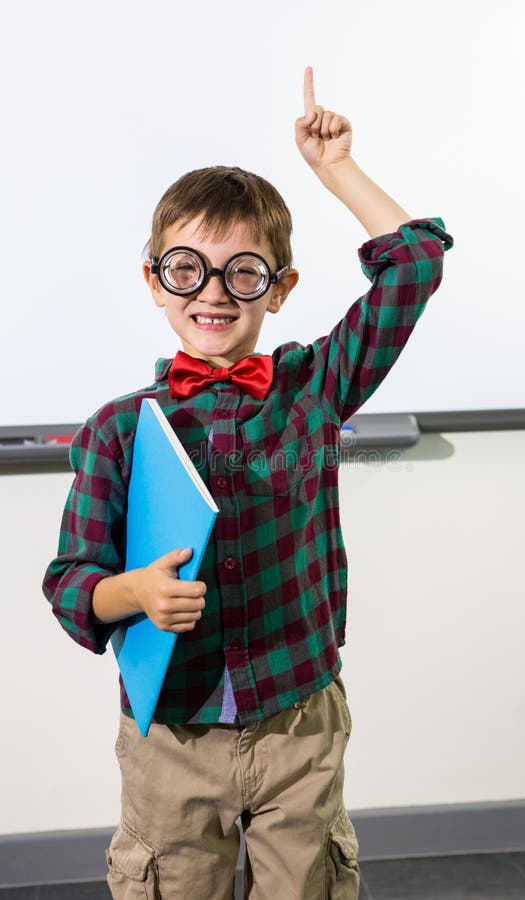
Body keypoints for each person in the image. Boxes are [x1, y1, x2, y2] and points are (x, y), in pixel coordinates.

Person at [43, 66, 453, 899]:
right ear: (156, 279)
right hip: (172, 736)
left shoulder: (313, 387)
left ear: (281, 287)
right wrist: (135, 593)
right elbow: (70, 585)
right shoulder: (120, 427)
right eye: (189, 269)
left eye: (245, 272)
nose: (216, 293)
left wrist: (336, 170)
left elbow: (413, 268)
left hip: (298, 715)